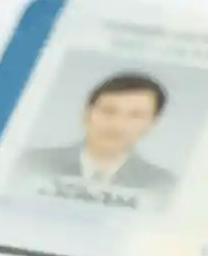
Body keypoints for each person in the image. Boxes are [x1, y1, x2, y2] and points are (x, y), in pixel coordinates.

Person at [17, 72, 176, 192]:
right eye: (108, 111)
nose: (117, 124)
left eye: (135, 116)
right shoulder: (33, 163)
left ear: (151, 124)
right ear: (87, 114)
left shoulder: (162, 185)